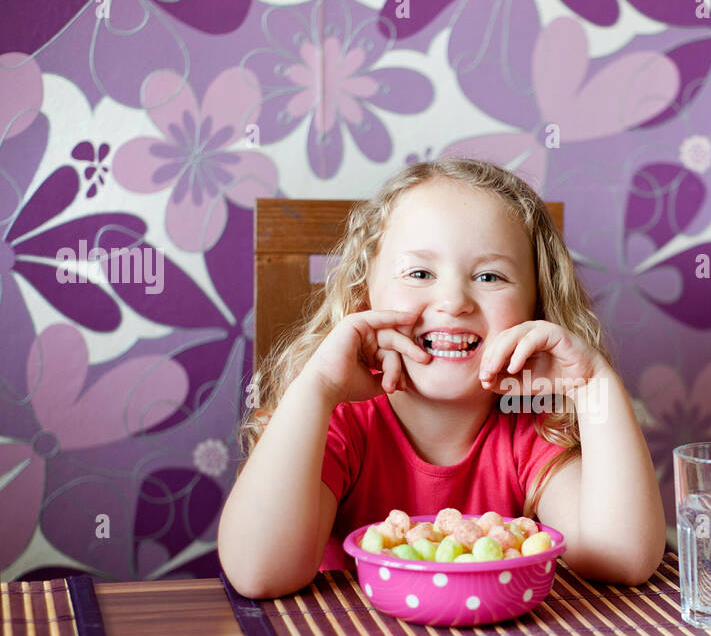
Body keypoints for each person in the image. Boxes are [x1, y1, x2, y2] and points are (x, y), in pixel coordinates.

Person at [218, 158, 665, 598]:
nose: (453, 301)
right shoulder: (339, 420)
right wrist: (315, 389)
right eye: (419, 273)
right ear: (363, 292)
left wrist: (593, 385)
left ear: (536, 307)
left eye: (490, 276)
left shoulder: (533, 426)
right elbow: (259, 573)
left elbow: (622, 558)